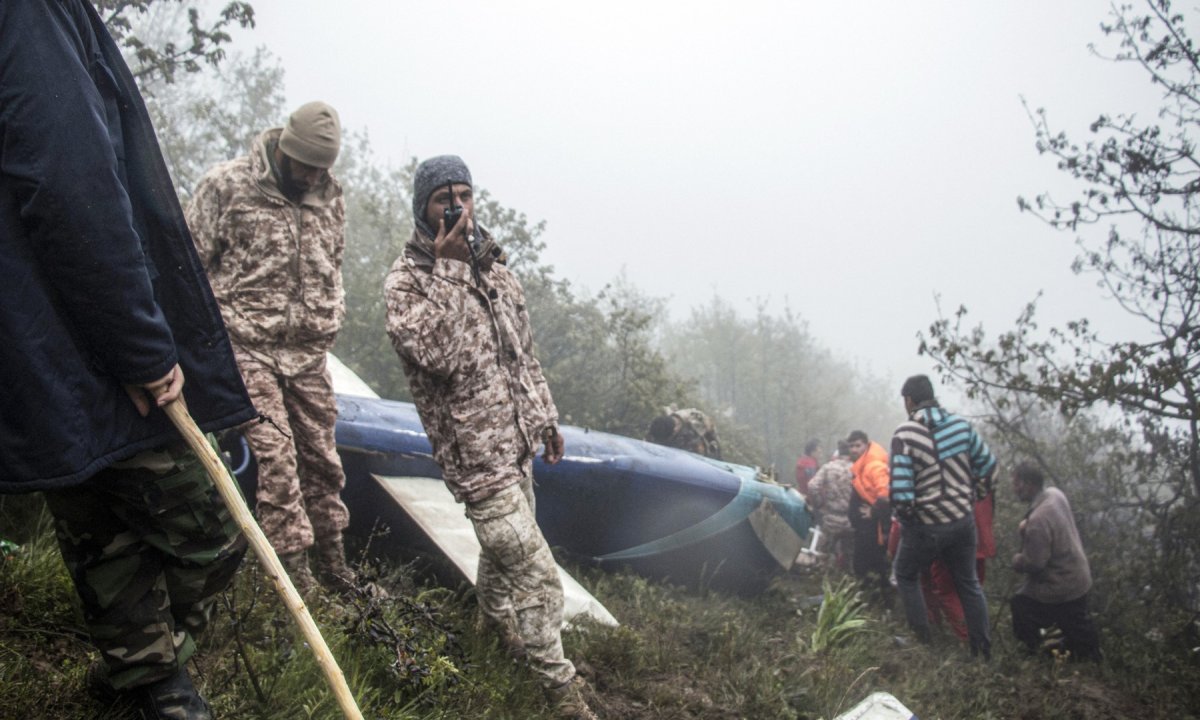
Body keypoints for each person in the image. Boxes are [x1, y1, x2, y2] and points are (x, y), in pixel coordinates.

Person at [0, 0, 257, 716]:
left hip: (40, 335)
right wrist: (140, 345)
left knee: (99, 513)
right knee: (210, 524)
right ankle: (143, 675)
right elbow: (68, 180)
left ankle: (144, 680)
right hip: (74, 332)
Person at [384, 155, 597, 720]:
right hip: (475, 457)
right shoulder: (407, 282)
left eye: (465, 194)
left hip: (515, 442)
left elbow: (521, 354)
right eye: (443, 199)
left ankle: (492, 630)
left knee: (503, 559)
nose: (457, 207)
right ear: (424, 208)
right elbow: (437, 355)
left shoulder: (497, 269)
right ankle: (563, 696)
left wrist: (545, 418)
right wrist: (451, 269)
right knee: (538, 577)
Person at [186, 101, 355, 593]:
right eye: (305, 165)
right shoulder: (227, 186)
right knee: (277, 459)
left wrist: (331, 312)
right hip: (246, 346)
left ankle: (336, 569)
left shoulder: (330, 197)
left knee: (324, 463)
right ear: (284, 147)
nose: (312, 176)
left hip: (308, 355)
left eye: (322, 168)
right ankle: (294, 582)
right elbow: (188, 267)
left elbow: (332, 263)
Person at [889, 375, 996, 659]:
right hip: (962, 522)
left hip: (926, 525)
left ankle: (922, 642)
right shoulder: (961, 427)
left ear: (909, 400)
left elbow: (901, 494)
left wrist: (910, 524)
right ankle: (982, 650)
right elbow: (988, 466)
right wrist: (973, 495)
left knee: (905, 574)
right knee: (968, 582)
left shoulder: (905, 434)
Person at [1010, 462, 1101, 661]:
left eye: (1016, 484)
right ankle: (1083, 654)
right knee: (1077, 625)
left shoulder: (1038, 520)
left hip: (1061, 584)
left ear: (1029, 485)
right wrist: (1028, 525)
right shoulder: (1055, 494)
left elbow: (1035, 564)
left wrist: (1017, 561)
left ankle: (1035, 654)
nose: (1014, 489)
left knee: (1020, 605)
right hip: (1079, 575)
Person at [846, 430, 892, 603]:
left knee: (874, 565)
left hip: (873, 528)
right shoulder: (861, 465)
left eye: (858, 445)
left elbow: (885, 495)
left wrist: (873, 511)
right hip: (864, 528)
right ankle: (871, 601)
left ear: (866, 445)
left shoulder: (873, 465)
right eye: (851, 446)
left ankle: (882, 604)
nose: (854, 449)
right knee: (865, 565)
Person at [806, 441, 855, 568]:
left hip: (830, 518)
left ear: (839, 451)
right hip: (850, 519)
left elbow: (812, 486)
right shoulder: (856, 468)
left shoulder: (828, 467)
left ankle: (822, 574)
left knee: (823, 555)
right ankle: (846, 575)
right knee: (849, 557)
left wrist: (819, 503)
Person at [646, 407, 722, 458]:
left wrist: (714, 453)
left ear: (675, 430)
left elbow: (713, 439)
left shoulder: (696, 420)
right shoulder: (659, 426)